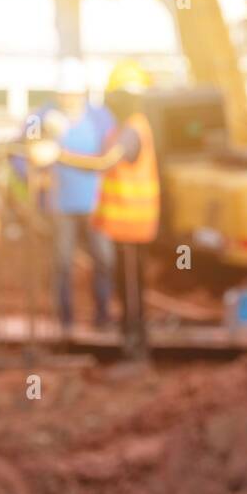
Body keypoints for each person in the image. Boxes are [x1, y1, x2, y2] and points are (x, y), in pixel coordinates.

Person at [30, 57, 115, 335]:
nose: (68, 99)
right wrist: (35, 173)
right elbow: (23, 153)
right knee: (62, 262)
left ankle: (103, 315)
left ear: (83, 93)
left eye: (73, 94)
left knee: (104, 259)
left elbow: (113, 155)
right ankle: (64, 320)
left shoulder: (101, 117)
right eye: (64, 94)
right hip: (60, 203)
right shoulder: (43, 116)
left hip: (95, 203)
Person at [91, 60, 160, 358]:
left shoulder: (132, 130)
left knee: (131, 291)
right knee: (126, 288)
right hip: (122, 227)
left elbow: (105, 164)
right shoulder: (124, 129)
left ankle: (136, 352)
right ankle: (130, 344)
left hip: (132, 228)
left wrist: (60, 156)